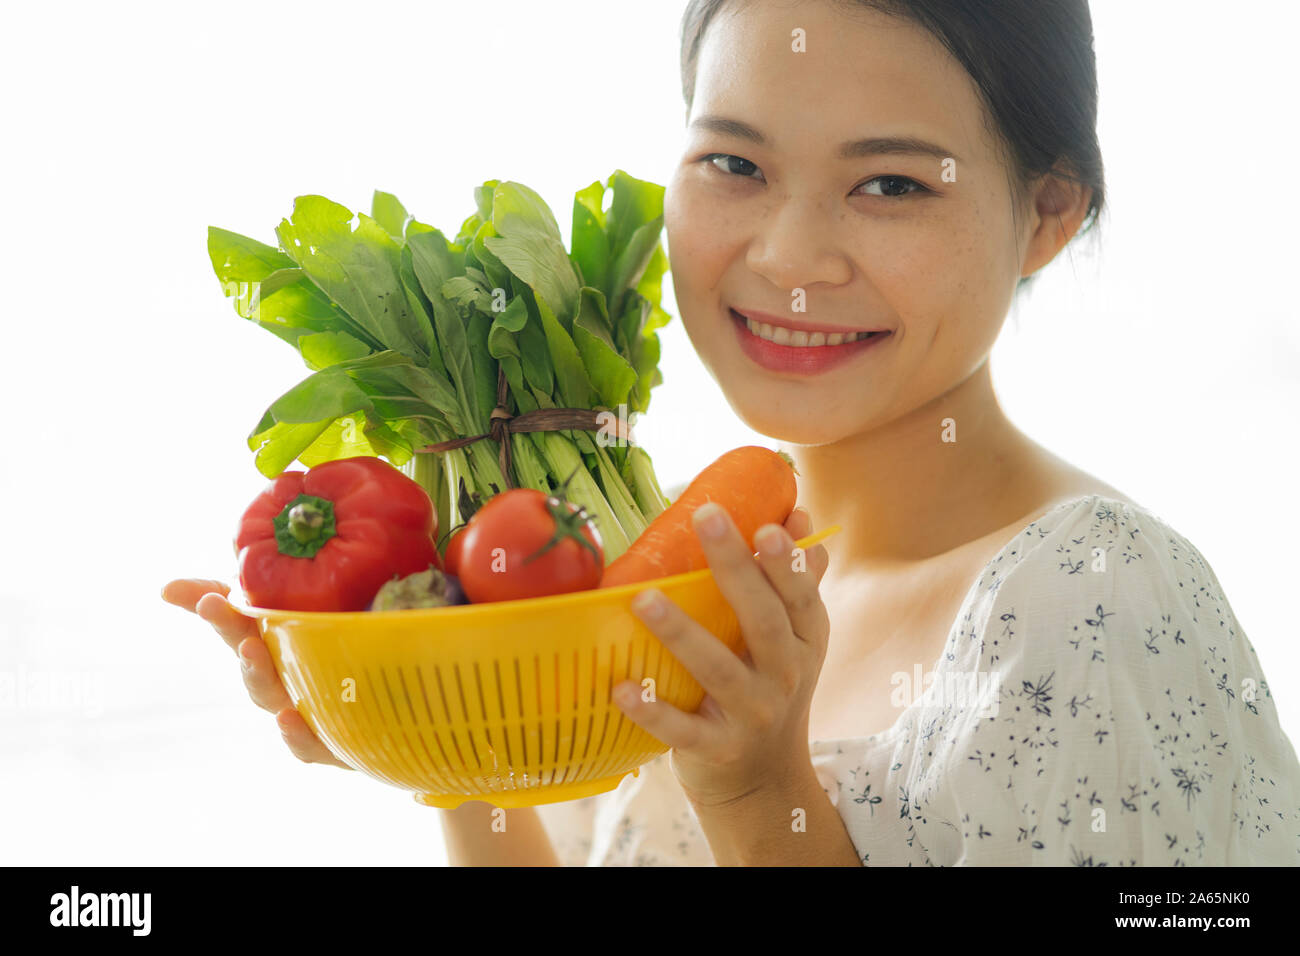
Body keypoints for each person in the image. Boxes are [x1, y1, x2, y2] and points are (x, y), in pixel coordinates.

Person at [163, 0, 1300, 865]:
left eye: (892, 185)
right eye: (736, 164)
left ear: (1047, 213)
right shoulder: (661, 582)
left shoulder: (1088, 589)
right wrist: (445, 742)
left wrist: (763, 802)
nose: (789, 259)